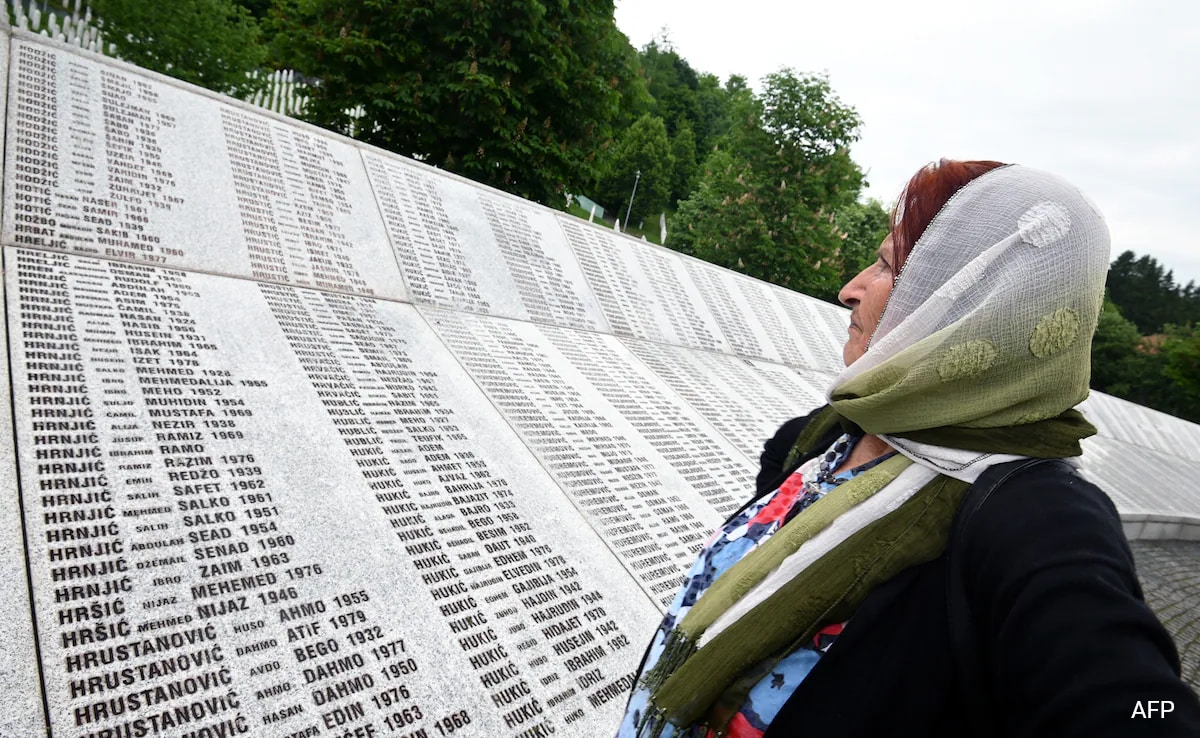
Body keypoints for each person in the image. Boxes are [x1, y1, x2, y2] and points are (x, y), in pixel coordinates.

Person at [617, 160, 1200, 737]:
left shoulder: (1039, 518)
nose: (849, 291)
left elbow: (1140, 708)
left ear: (969, 300)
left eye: (887, 266)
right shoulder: (816, 437)